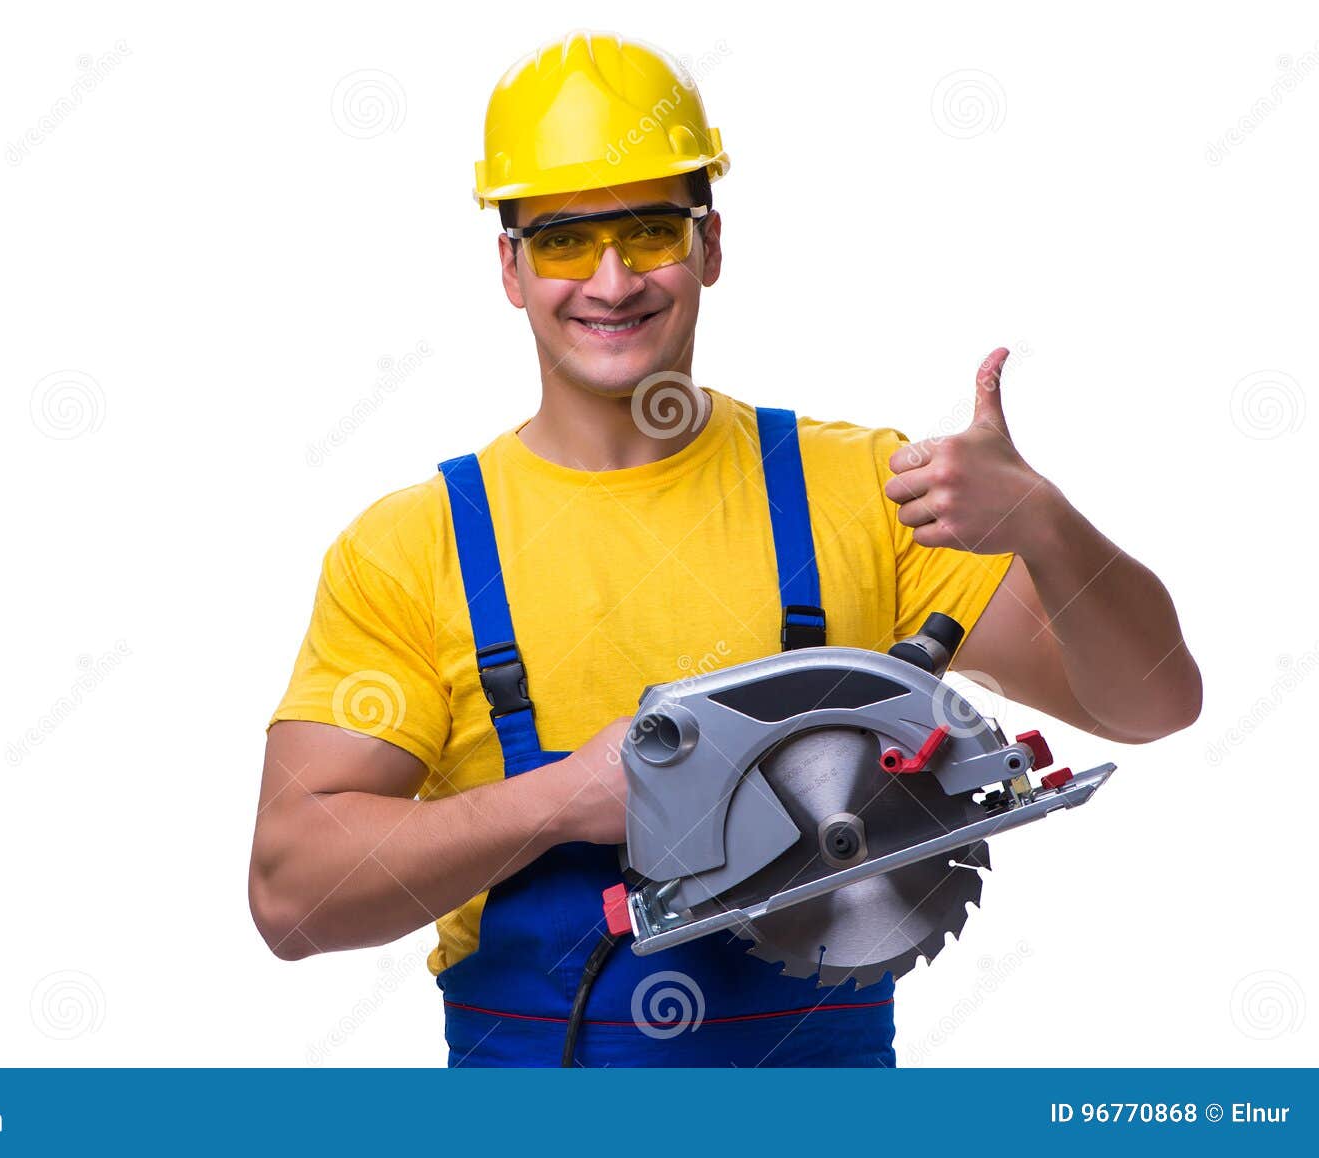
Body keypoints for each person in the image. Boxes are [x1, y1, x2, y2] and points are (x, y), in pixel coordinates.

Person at [248, 30, 1201, 1067]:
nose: (611, 280)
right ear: (510, 269)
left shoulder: (866, 492)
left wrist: (1048, 528)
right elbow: (291, 899)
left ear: (708, 245)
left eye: (650, 230)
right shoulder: (413, 546)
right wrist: (564, 799)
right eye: (564, 241)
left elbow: (1150, 704)